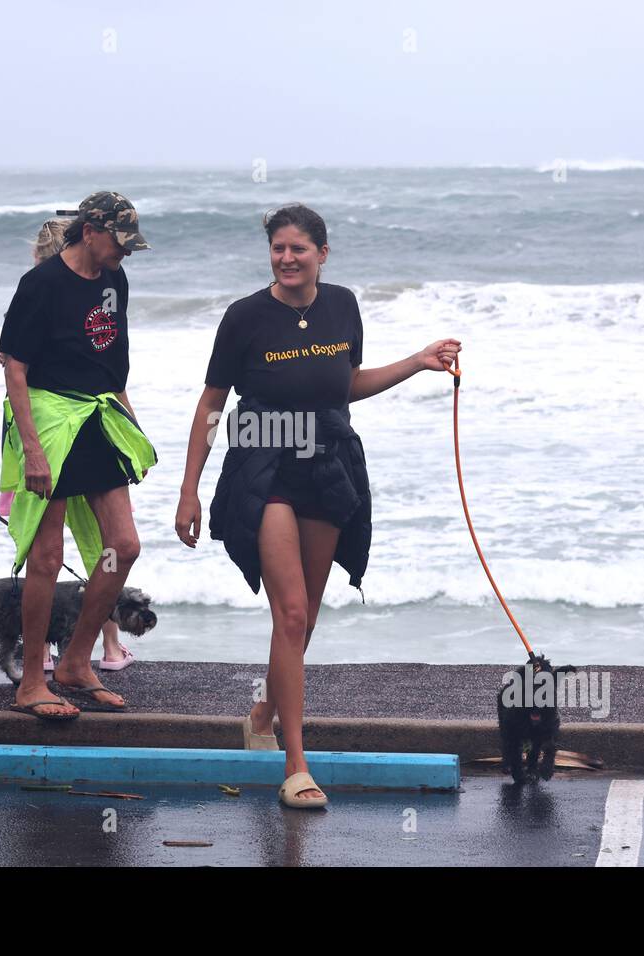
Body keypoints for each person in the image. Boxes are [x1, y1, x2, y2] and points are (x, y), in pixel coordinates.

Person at [175, 204, 460, 808]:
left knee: (306, 612)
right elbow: (211, 403)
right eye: (278, 248)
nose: (286, 258)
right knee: (293, 613)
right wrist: (189, 487)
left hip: (328, 460)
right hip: (265, 462)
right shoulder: (245, 317)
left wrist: (416, 362)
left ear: (322, 254)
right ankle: (295, 762)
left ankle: (260, 715)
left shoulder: (343, 306)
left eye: (298, 249)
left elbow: (344, 383)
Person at [0, 192, 156, 719]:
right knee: (44, 559)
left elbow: (116, 366)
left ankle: (76, 662)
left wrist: (131, 430)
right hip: (48, 421)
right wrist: (33, 453)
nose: (126, 253)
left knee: (124, 546)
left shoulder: (115, 280)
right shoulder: (41, 285)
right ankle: (32, 684)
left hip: (99, 418)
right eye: (120, 241)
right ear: (90, 230)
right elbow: (15, 369)